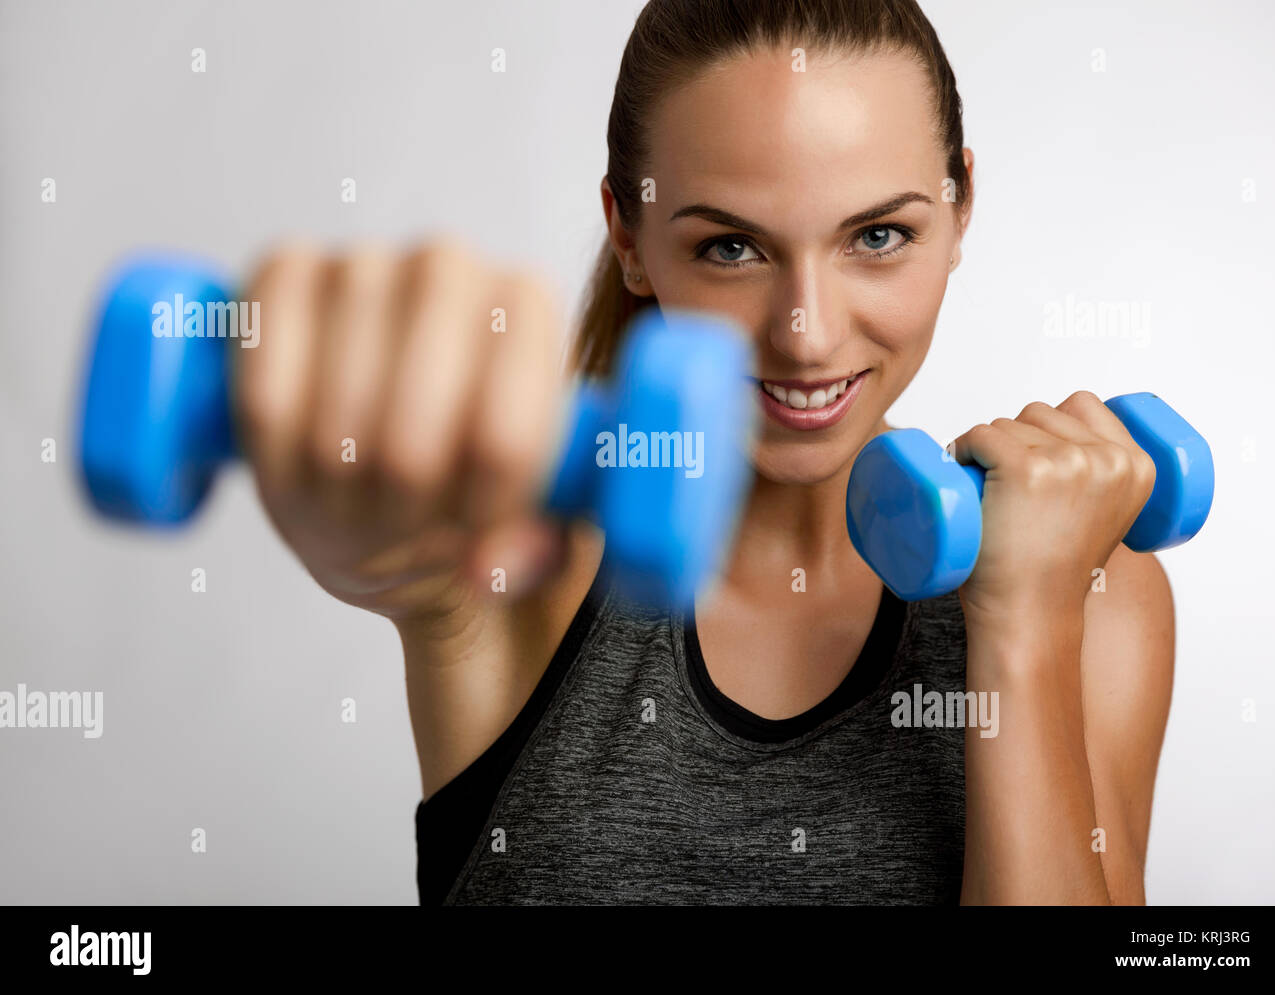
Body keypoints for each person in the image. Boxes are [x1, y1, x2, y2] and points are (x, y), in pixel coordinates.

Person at [233, 0, 1174, 905]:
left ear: (960, 209)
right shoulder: (514, 558)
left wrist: (1025, 625)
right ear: (628, 235)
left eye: (879, 236)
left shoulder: (1096, 588)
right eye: (732, 248)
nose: (805, 335)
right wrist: (340, 455)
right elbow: (384, 538)